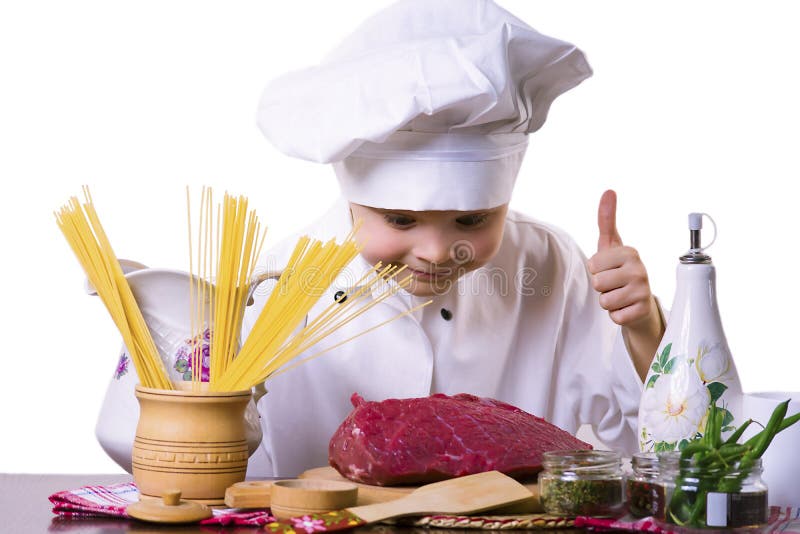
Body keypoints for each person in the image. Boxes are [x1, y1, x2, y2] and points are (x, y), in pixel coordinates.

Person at [245, 0, 665, 477]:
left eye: (471, 220)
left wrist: (643, 325)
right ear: (352, 200)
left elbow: (657, 441)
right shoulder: (278, 282)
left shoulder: (549, 264)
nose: (437, 251)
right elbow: (236, 466)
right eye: (401, 219)